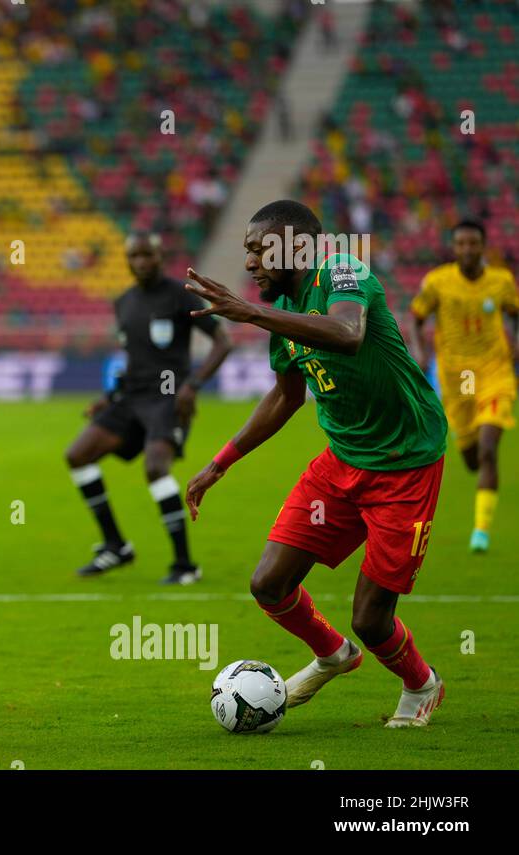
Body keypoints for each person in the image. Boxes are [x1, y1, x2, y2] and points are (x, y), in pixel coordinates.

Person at [184, 199, 448, 728]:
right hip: (342, 460)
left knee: (372, 621)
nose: (251, 263)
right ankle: (333, 654)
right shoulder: (282, 313)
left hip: (406, 465)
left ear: (296, 246)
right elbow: (285, 397)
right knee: (268, 585)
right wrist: (221, 462)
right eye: (247, 253)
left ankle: (421, 683)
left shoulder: (342, 269)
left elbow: (348, 335)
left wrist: (252, 312)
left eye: (259, 250)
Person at [66, 233, 232, 584]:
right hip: (131, 397)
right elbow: (135, 357)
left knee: (156, 468)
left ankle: (185, 566)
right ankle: (115, 546)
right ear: (127, 261)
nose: (141, 262)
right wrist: (110, 398)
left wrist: (193, 384)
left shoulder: (180, 295)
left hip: (168, 397)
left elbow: (223, 340)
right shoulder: (123, 301)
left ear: (160, 256)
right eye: (134, 256)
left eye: (147, 255)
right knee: (78, 455)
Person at [409, 219, 518, 553]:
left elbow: (514, 312)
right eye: (461, 244)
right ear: (454, 248)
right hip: (460, 379)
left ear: (483, 247)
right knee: (471, 456)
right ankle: (468, 438)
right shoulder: (439, 282)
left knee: (487, 450)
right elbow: (416, 317)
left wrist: (515, 341)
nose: (468, 249)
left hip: (495, 372)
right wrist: (420, 349)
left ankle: (481, 532)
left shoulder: (501, 281)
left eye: (474, 243)